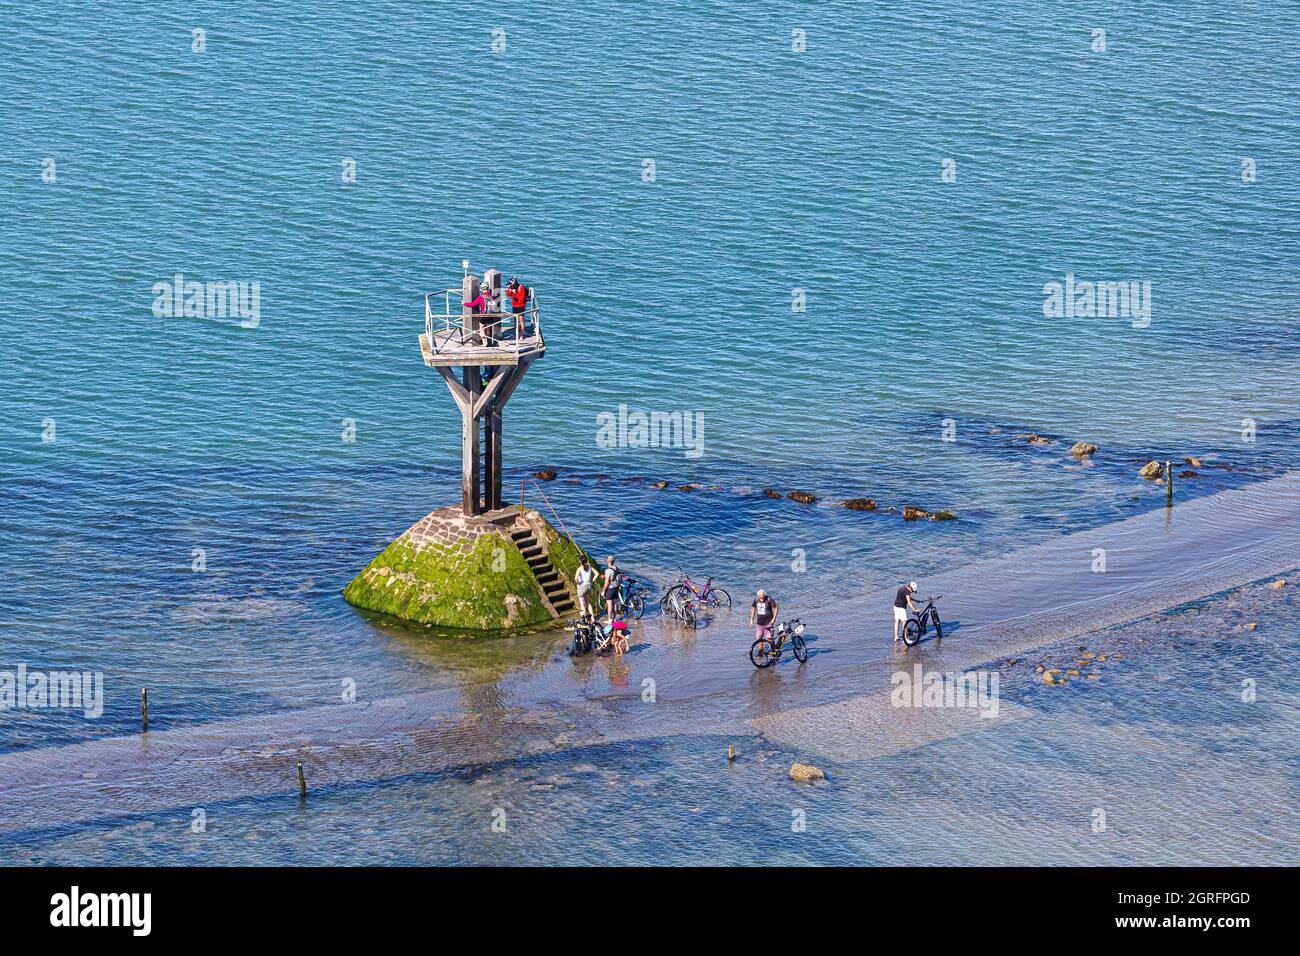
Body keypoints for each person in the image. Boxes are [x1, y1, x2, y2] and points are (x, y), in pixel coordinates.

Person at [601, 556, 620, 624]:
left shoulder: (608, 570)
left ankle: (609, 619)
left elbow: (607, 583)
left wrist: (603, 591)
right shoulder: (616, 568)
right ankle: (614, 619)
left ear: (608, 561)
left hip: (610, 589)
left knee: (609, 605)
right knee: (614, 605)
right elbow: (613, 577)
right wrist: (605, 576)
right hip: (616, 588)